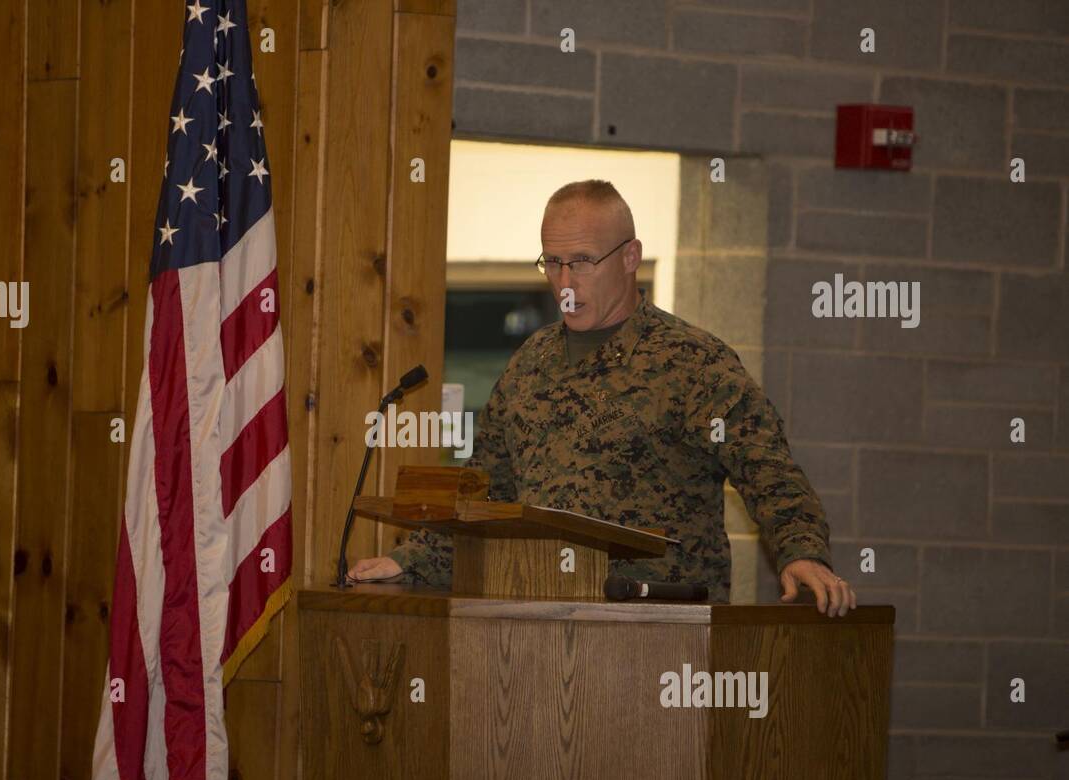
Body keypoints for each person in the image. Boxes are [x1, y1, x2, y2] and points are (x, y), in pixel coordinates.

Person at [349, 179, 855, 617]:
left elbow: (768, 470)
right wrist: (414, 560)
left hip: (658, 630)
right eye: (553, 262)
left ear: (630, 257)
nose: (565, 283)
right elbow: (485, 494)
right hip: (534, 620)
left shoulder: (692, 362)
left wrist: (801, 551)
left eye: (584, 262)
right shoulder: (531, 363)